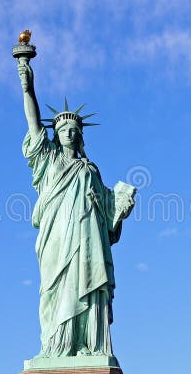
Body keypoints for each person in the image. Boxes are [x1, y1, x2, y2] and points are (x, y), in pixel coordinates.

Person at [18, 59, 135, 358]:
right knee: (56, 289)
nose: (68, 133)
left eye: (73, 129)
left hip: (88, 238)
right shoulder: (48, 161)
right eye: (62, 129)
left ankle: (87, 344)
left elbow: (109, 217)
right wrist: (27, 85)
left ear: (80, 135)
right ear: (55, 135)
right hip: (57, 238)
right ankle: (57, 347)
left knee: (87, 282)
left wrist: (121, 207)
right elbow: (34, 125)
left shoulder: (90, 169)